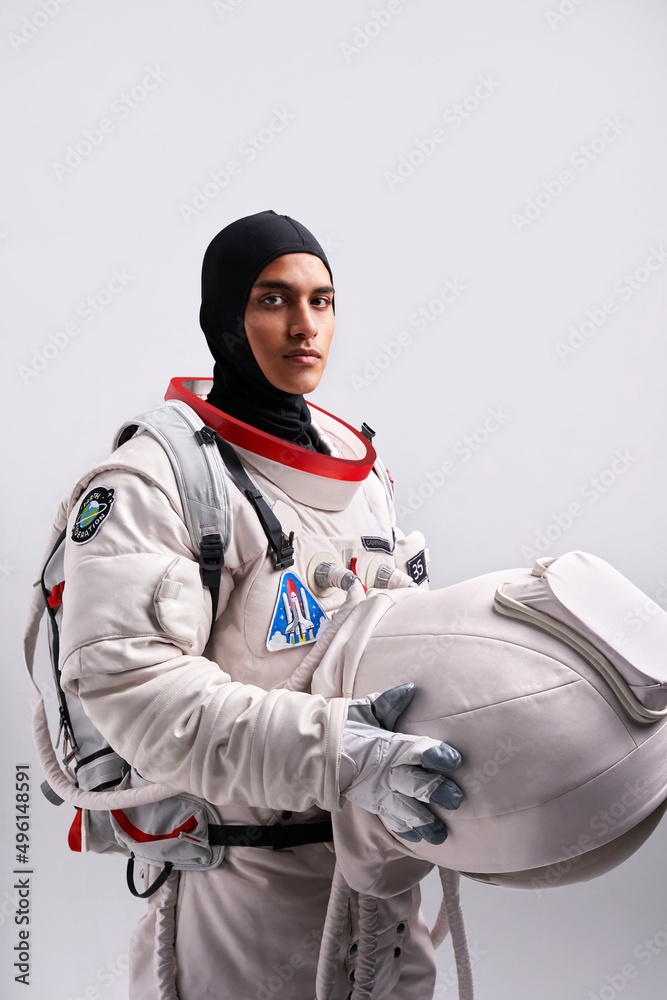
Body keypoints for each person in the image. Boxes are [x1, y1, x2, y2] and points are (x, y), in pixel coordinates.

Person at [57, 210, 464, 999]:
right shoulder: (154, 481)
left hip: (379, 886)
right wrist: (338, 753)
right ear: (224, 317)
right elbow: (132, 690)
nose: (305, 325)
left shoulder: (359, 473)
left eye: (322, 301)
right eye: (274, 300)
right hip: (241, 898)